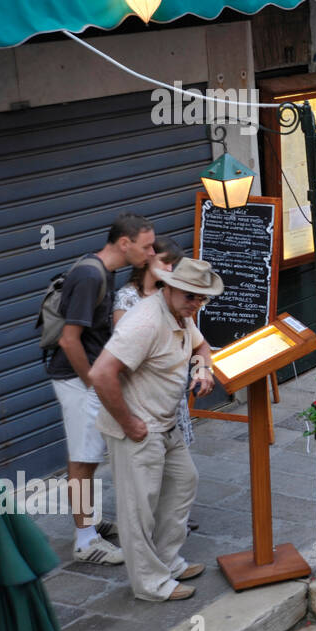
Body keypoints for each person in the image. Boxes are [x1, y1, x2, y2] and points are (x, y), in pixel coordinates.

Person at [89, 258, 218, 602]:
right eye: (191, 295)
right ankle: (150, 584)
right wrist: (129, 422)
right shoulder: (145, 320)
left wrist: (202, 369)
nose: (196, 304)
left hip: (166, 422)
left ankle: (167, 560)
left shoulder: (181, 314)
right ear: (170, 287)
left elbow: (200, 346)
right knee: (138, 507)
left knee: (183, 481)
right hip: (139, 427)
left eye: (201, 298)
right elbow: (101, 373)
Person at [47, 212, 156, 567]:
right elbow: (68, 340)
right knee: (82, 459)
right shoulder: (90, 275)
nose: (151, 254)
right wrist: (93, 381)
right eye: (146, 246)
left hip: (86, 377)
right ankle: (84, 540)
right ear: (124, 244)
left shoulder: (102, 272)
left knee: (89, 458)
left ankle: (90, 525)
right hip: (76, 379)